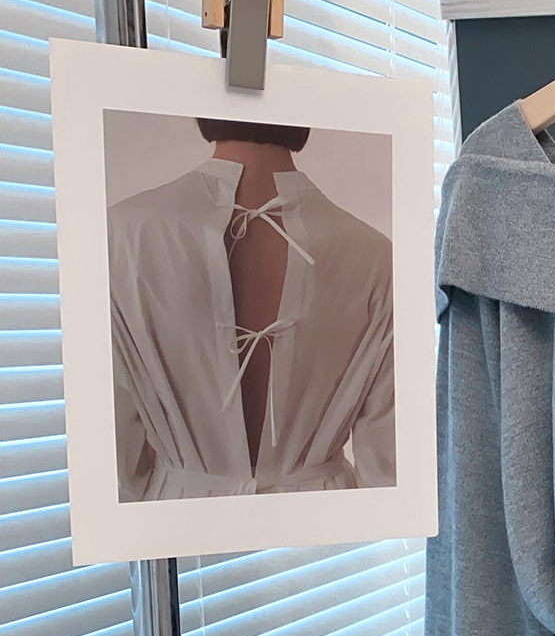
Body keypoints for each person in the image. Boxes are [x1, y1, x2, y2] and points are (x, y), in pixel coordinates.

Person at [108, 118, 395, 500]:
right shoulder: (375, 255)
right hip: (322, 521)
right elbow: (387, 473)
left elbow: (115, 466)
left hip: (180, 519)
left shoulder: (122, 235)